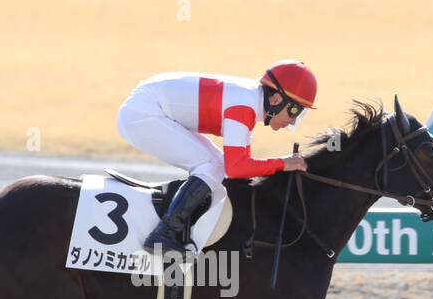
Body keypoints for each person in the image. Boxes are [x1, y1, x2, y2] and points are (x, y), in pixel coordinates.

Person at [116, 60, 317, 256]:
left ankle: (183, 224)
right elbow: (236, 168)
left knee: (216, 165)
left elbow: (236, 166)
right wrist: (282, 163)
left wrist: (279, 164)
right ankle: (165, 232)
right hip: (143, 114)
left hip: (152, 106)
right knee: (212, 165)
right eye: (294, 110)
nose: (292, 120)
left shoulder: (248, 101)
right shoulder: (243, 107)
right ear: (275, 99)